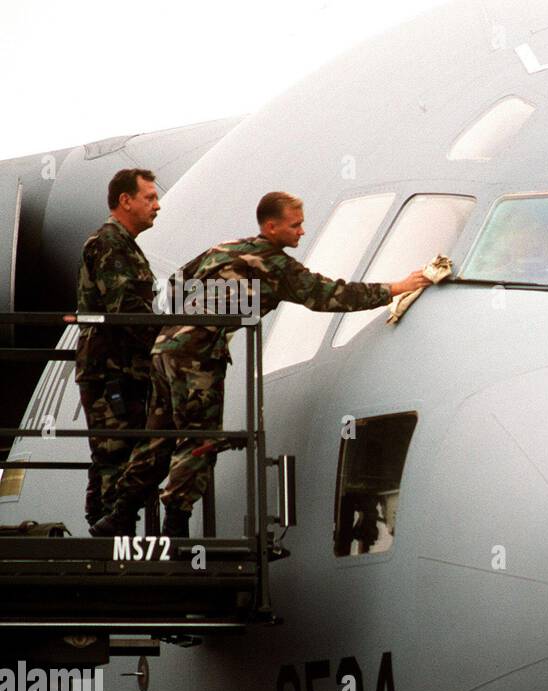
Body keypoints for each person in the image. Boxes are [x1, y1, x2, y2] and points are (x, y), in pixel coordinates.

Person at [91, 191, 435, 538]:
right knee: (199, 438)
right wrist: (396, 288)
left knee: (160, 435)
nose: (302, 231)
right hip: (198, 356)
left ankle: (120, 515)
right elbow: (330, 294)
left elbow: (176, 285)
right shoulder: (275, 265)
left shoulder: (224, 249)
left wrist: (207, 312)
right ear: (272, 227)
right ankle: (176, 522)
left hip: (164, 349)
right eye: (295, 225)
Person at [74, 168, 160, 528]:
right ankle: (111, 543)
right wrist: (168, 341)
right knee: (115, 453)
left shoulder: (123, 244)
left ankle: (106, 530)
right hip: (111, 371)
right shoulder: (109, 242)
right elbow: (124, 306)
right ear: (125, 200)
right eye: (149, 198)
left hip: (124, 370)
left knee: (118, 453)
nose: (157, 205)